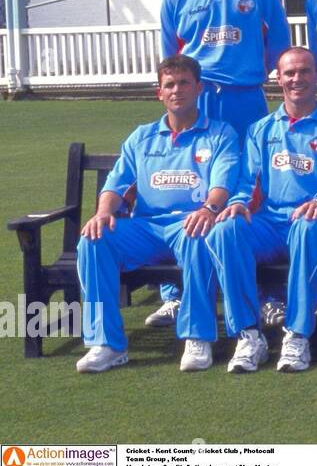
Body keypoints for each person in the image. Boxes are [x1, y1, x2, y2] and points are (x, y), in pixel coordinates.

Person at [150, 0, 290, 328]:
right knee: (191, 187)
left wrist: (247, 75)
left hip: (245, 99)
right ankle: (178, 292)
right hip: (198, 99)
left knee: (253, 186)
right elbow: (171, 58)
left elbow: (279, 44)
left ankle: (267, 289)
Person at [74, 56, 243, 373]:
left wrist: (209, 208)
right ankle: (107, 344)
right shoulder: (141, 137)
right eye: (170, 85)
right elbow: (116, 184)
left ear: (199, 88)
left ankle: (197, 336)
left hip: (189, 224)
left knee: (199, 232)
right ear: (160, 93)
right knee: (93, 240)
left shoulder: (220, 134)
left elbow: (223, 184)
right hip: (146, 228)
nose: (176, 90)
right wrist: (102, 213)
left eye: (184, 83)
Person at [209, 47, 317, 372]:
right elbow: (246, 181)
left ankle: (297, 335)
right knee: (225, 230)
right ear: (278, 78)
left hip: (314, 220)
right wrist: (237, 204)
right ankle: (249, 335)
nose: (297, 79)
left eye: (304, 71)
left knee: (306, 226)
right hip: (271, 223)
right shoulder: (261, 130)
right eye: (289, 73)